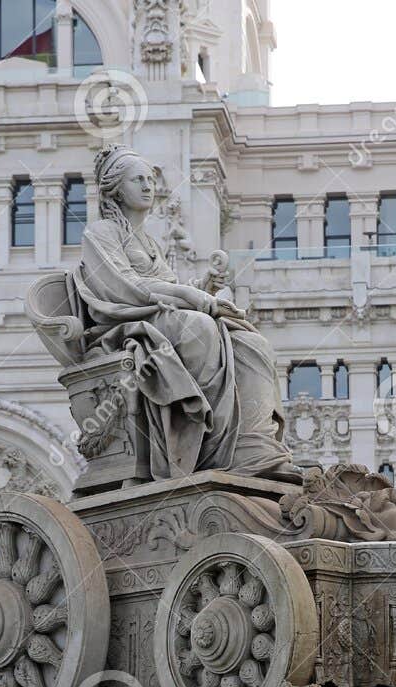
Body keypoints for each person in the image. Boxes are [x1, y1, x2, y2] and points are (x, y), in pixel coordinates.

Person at [73, 145, 298, 482]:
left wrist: (202, 287)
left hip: (160, 316)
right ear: (116, 189)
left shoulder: (148, 242)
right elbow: (123, 287)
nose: (148, 186)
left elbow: (169, 285)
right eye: (138, 180)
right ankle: (207, 449)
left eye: (150, 179)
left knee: (252, 342)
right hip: (127, 322)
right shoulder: (101, 233)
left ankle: (252, 445)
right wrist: (188, 295)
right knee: (200, 329)